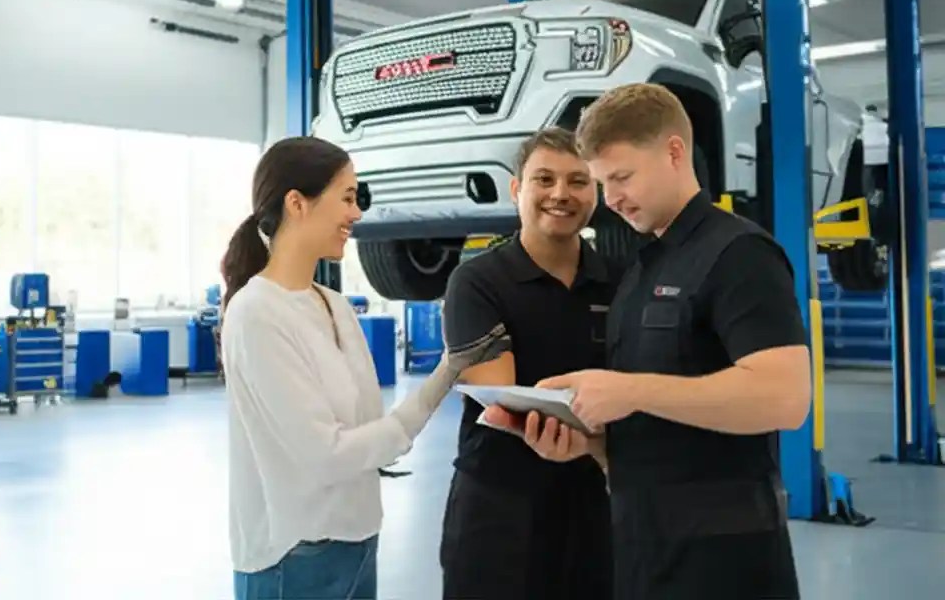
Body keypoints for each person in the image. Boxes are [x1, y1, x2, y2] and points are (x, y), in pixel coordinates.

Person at [483, 83, 812, 600]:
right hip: (642, 550)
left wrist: (629, 391)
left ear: (674, 153)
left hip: (725, 563)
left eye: (621, 177)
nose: (610, 199)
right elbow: (664, 427)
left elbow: (785, 398)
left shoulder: (740, 255)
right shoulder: (640, 271)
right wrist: (587, 442)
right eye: (603, 182)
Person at [220, 136, 479, 600]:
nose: (357, 213)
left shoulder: (335, 306)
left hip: (357, 539)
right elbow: (328, 455)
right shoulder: (256, 312)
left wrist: (450, 368)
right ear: (297, 204)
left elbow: (369, 433)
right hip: (293, 557)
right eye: (347, 197)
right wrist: (416, 410)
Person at [437, 127, 615, 600]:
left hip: (596, 508)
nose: (561, 194)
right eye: (544, 179)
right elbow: (501, 399)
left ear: (595, 190)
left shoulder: (622, 282)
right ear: (517, 189)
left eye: (578, 181)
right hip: (499, 512)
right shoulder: (475, 283)